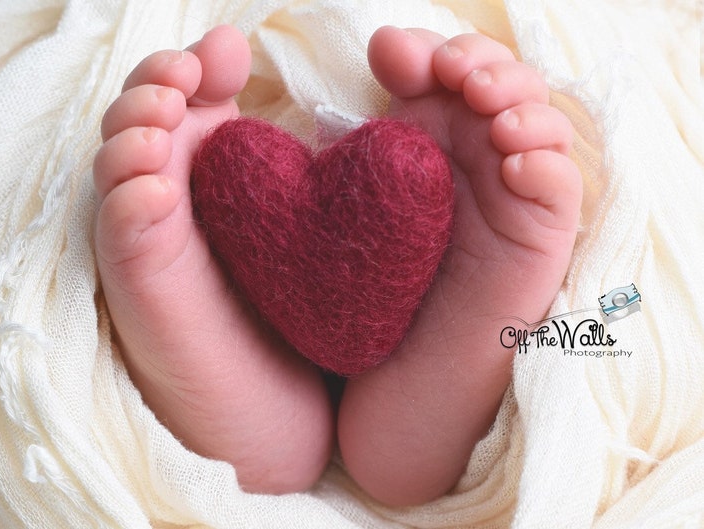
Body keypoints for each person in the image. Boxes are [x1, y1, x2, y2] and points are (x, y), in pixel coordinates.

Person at [92, 24, 582, 507]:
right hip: (315, 249)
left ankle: (408, 394)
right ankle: (246, 347)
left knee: (410, 149)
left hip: (323, 241)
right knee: (458, 100)